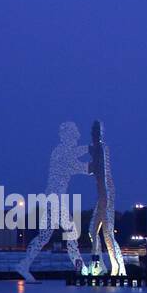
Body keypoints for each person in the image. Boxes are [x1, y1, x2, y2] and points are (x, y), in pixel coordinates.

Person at [17, 122, 90, 282]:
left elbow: (76, 157)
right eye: (75, 134)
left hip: (51, 198)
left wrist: (91, 149)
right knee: (71, 232)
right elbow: (82, 167)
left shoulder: (61, 151)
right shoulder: (62, 152)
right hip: (55, 199)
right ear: (67, 136)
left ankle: (24, 264)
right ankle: (81, 268)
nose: (77, 137)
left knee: (44, 236)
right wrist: (94, 154)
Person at [86, 121, 126, 277]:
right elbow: (94, 169)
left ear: (99, 133)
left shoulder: (101, 149)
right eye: (93, 132)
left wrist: (90, 162)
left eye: (95, 132)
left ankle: (119, 268)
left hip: (107, 196)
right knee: (92, 232)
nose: (93, 135)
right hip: (101, 197)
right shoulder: (96, 149)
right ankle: (98, 265)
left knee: (109, 235)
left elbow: (99, 169)